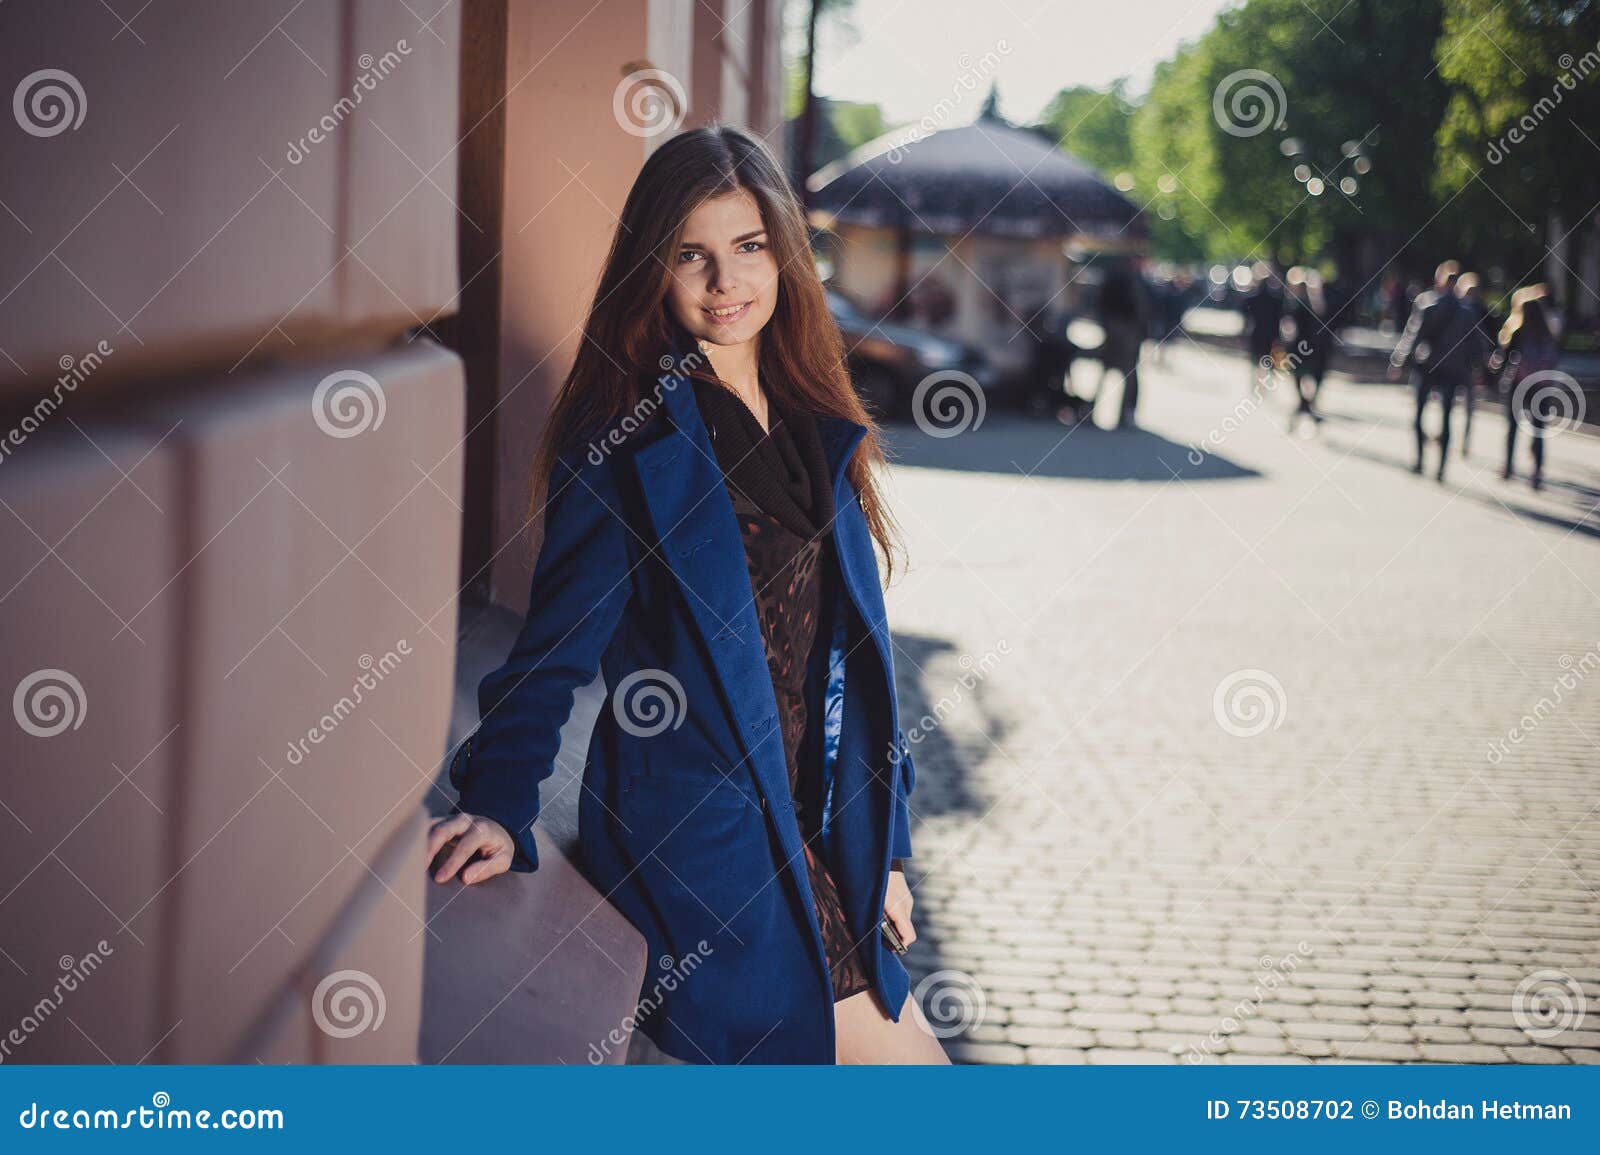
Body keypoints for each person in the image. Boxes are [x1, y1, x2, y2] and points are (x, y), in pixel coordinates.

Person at [427, 124, 948, 1066]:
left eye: (749, 247)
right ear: (652, 269)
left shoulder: (813, 415)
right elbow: (556, 648)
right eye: (691, 256)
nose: (726, 283)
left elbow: (858, 664)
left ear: (784, 253)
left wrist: (891, 850)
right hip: (708, 844)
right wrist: (499, 803)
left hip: (826, 831)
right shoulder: (629, 432)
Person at [1389, 260, 1483, 482]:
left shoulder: (1427, 303)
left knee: (1420, 413)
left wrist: (1399, 361)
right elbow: (1475, 345)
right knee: (1447, 417)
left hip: (1428, 366)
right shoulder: (1466, 312)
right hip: (1453, 368)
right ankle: (1441, 467)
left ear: (1439, 280)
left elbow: (1412, 335)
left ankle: (1420, 460)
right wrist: (1477, 368)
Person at [1491, 286, 1560, 491]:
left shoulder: (1517, 329)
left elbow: (1505, 357)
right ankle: (1537, 473)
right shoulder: (1548, 333)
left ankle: (1508, 467)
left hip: (1519, 383)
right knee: (1539, 430)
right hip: (1543, 385)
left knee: (1512, 427)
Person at [1097, 263, 1148, 429]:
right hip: (1126, 332)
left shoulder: (1116, 279)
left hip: (1118, 330)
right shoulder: (1133, 282)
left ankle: (1096, 411)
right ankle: (1125, 414)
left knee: (1109, 371)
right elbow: (1141, 310)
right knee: (1128, 375)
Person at [1284, 267, 1332, 433]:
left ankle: (1305, 407)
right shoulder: (1318, 306)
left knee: (1299, 380)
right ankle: (1307, 407)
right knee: (1308, 380)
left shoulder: (1297, 305)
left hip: (1299, 349)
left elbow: (1290, 328)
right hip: (1312, 350)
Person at [1454, 272, 1492, 459]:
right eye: (1469, 291)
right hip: (1454, 365)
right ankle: (1448, 437)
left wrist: (1481, 366)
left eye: (1474, 292)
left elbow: (1483, 341)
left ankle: (1464, 442)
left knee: (1468, 407)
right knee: (1449, 404)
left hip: (1468, 367)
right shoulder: (1454, 309)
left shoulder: (1480, 312)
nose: (1472, 296)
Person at [1241, 261, 1284, 392]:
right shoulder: (1276, 299)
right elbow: (1278, 319)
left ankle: (1257, 383)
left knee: (1256, 359)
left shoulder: (1252, 298)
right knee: (1267, 360)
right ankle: (1263, 383)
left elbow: (1247, 317)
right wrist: (1278, 336)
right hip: (1270, 334)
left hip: (1256, 332)